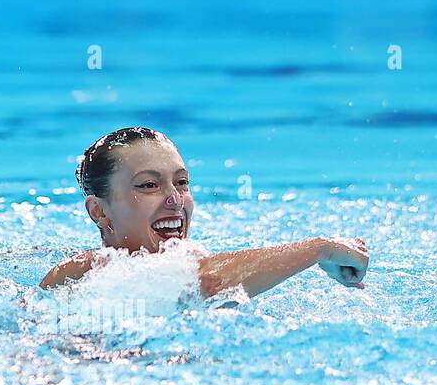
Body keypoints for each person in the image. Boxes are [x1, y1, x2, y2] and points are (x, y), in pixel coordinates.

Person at [40, 127, 369, 297]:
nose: (175, 199)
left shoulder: (191, 257)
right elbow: (207, 282)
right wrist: (320, 249)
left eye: (181, 182)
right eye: (148, 186)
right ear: (99, 212)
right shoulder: (81, 272)